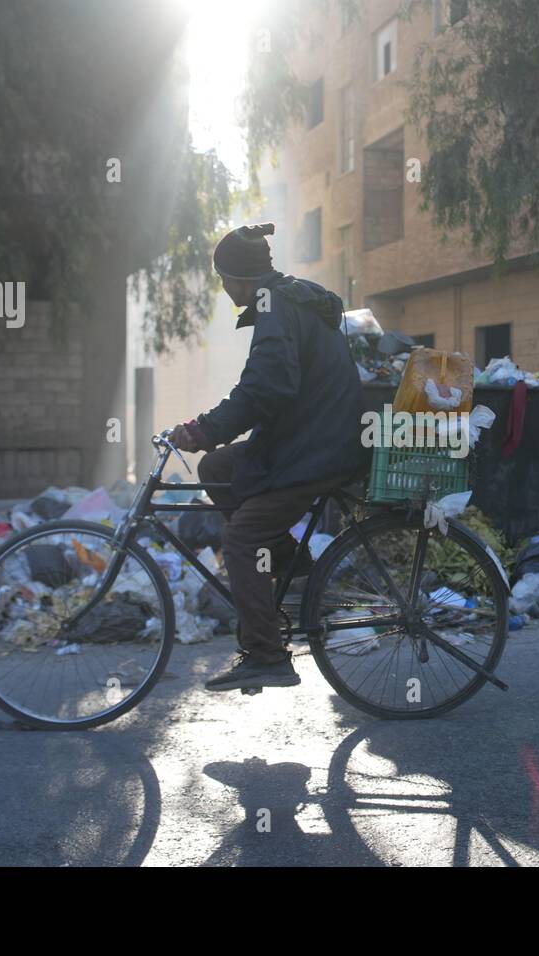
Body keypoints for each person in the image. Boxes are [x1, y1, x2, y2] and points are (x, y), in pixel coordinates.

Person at [171, 223, 363, 691]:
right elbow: (268, 387)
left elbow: (267, 386)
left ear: (236, 279)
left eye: (223, 279)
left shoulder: (275, 308)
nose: (223, 288)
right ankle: (288, 563)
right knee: (215, 469)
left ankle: (267, 655)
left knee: (240, 538)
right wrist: (211, 437)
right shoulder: (284, 300)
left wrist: (207, 428)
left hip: (317, 449)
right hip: (309, 438)